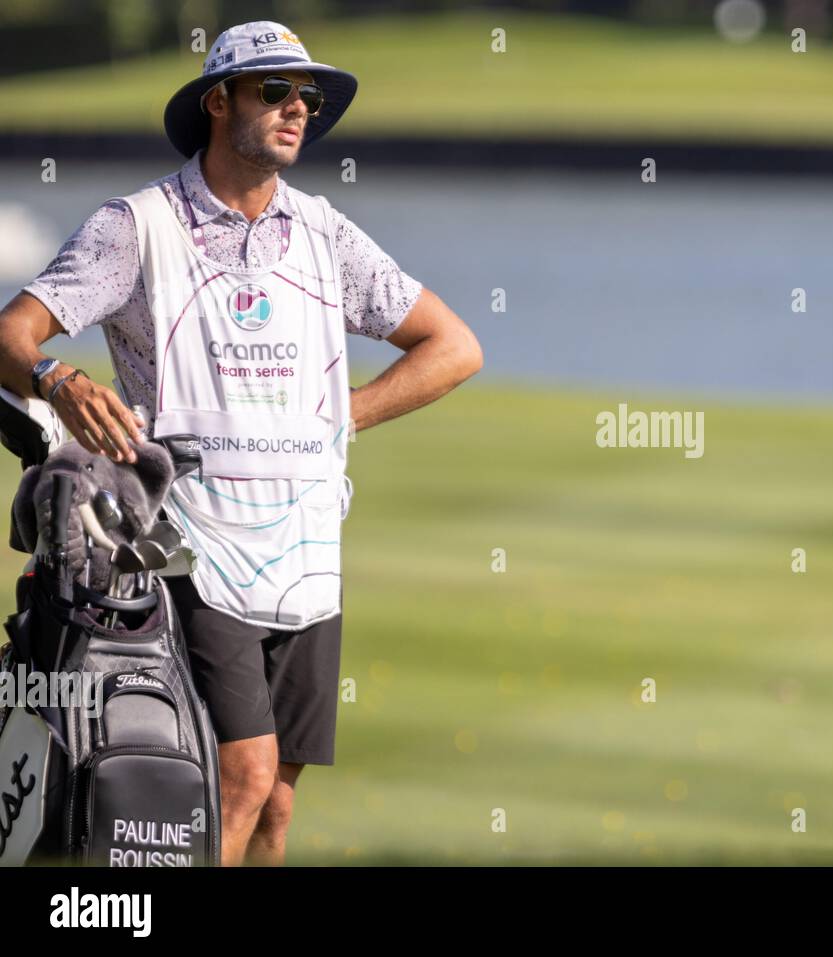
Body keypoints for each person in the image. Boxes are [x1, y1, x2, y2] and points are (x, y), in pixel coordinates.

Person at [0, 21, 483, 865]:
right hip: (189, 540)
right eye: (275, 91)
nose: (297, 109)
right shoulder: (136, 225)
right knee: (242, 773)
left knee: (276, 808)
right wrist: (59, 380)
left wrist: (338, 418)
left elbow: (454, 346)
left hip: (306, 547)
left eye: (309, 98)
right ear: (218, 101)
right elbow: (13, 332)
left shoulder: (326, 234)